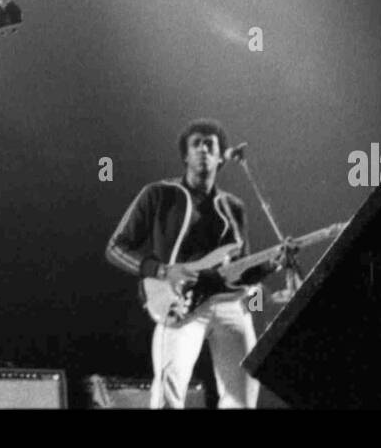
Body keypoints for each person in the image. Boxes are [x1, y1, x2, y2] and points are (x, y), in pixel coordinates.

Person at [105, 119, 287, 408]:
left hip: (231, 305)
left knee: (241, 398)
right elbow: (116, 247)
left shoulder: (233, 207)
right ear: (185, 156)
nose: (203, 148)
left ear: (220, 157)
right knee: (168, 397)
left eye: (210, 144)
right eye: (197, 143)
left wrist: (273, 265)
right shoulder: (159, 195)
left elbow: (242, 272)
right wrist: (163, 270)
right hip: (180, 302)